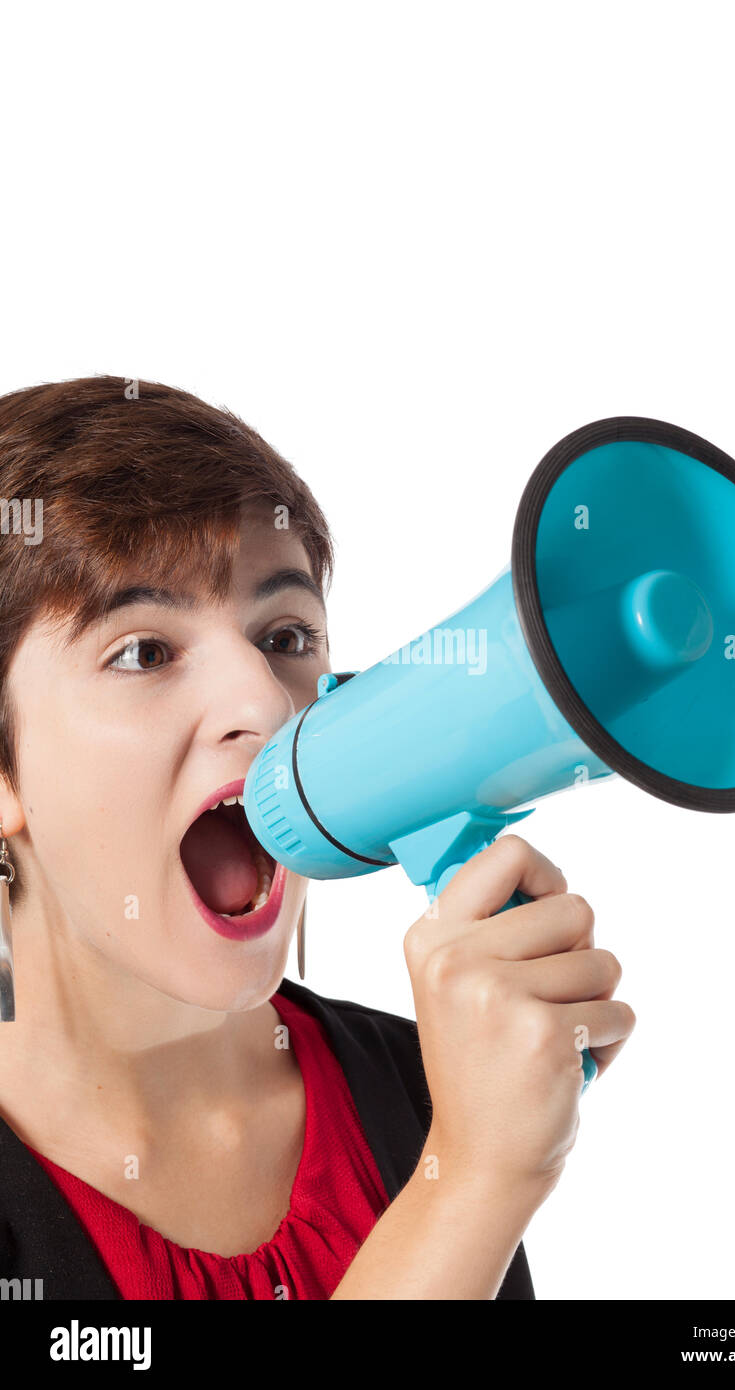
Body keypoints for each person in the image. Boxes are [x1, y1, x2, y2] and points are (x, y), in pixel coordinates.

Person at [0, 375, 636, 1300]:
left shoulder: (433, 1091)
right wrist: (468, 1185)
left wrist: (473, 1154)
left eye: (286, 633)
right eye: (145, 651)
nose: (264, 701)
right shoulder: (466, 1142)